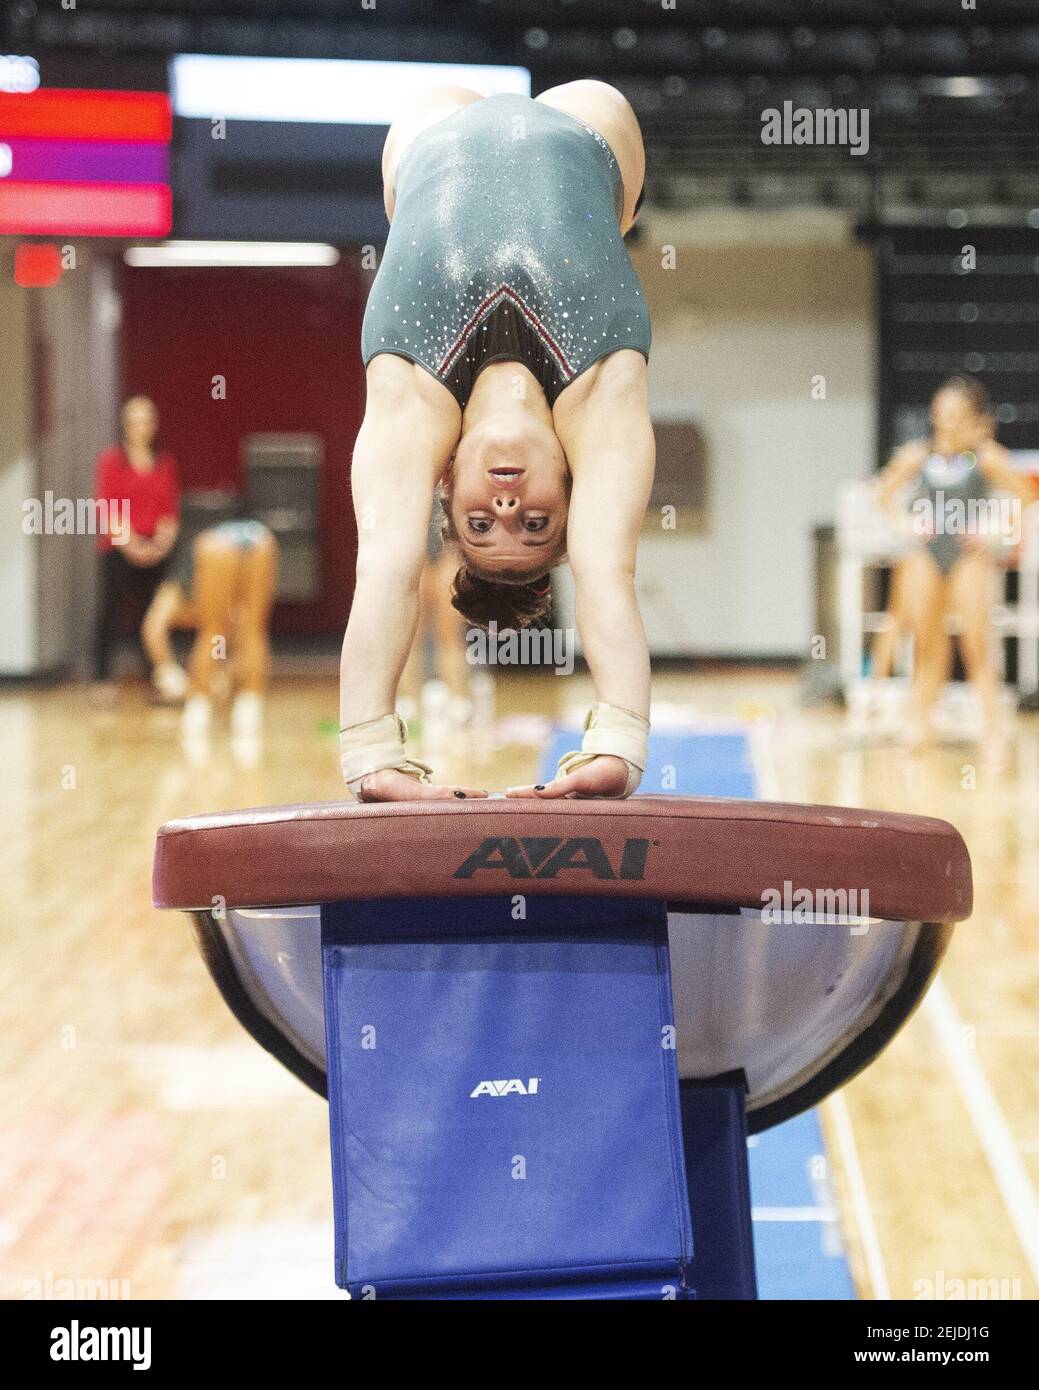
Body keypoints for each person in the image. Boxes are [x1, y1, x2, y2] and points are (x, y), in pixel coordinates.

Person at [338, 81, 655, 803]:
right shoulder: (600, 393)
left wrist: (371, 756)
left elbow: (384, 570)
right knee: (605, 117)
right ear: (573, 488)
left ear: (444, 483)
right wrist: (617, 746)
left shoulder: (412, 398)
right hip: (588, 129)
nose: (506, 503)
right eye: (534, 522)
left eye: (482, 523)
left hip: (428, 131)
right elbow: (607, 570)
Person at [875, 376, 1034, 762]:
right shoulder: (918, 454)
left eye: (956, 414)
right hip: (926, 555)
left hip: (969, 557)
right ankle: (920, 728)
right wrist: (906, 524)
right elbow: (883, 494)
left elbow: (1027, 494)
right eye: (942, 412)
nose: (947, 421)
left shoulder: (986, 456)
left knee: (977, 643)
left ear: (972, 417)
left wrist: (993, 531)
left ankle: (992, 731)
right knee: (928, 645)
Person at [141, 520, 278, 734]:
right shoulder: (218, 607)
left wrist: (173, 678)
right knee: (253, 630)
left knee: (213, 629)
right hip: (260, 538)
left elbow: (152, 628)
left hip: (218, 545)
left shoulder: (174, 592)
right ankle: (249, 708)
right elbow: (234, 642)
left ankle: (198, 707)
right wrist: (222, 675)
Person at [92, 396, 179, 697]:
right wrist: (132, 546)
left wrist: (159, 545)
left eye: (146, 420)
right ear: (125, 426)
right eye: (134, 421)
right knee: (110, 610)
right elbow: (108, 507)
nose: (140, 427)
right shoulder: (111, 461)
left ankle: (155, 675)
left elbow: (170, 511)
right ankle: (102, 677)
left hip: (156, 551)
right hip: (119, 547)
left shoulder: (165, 464)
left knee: (152, 615)